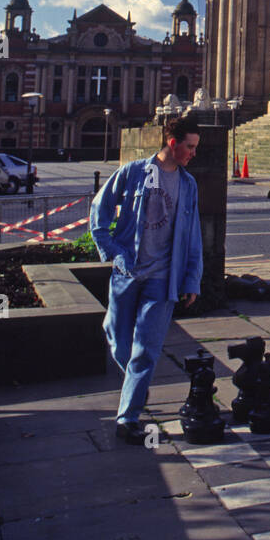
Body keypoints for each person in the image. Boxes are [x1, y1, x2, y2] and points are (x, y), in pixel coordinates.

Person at [90, 113, 203, 444]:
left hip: (163, 279)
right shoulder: (134, 172)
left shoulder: (188, 184)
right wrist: (113, 250)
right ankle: (135, 383)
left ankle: (128, 416)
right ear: (173, 144)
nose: (194, 153)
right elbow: (100, 210)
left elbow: (193, 237)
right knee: (116, 337)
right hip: (128, 272)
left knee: (146, 350)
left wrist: (191, 280)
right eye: (190, 147)